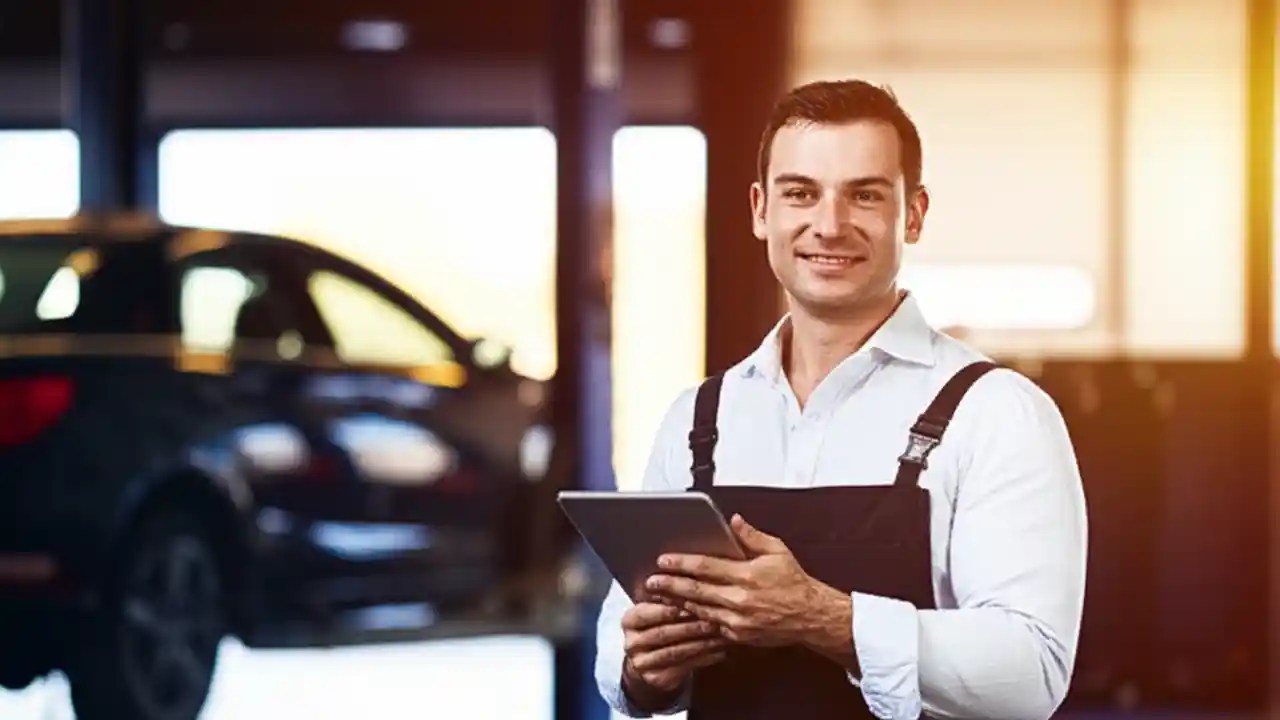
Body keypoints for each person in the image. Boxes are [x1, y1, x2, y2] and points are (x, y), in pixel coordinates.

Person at [592, 78, 1088, 720]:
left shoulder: (997, 413)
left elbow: (1031, 674)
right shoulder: (698, 418)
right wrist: (644, 669)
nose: (829, 226)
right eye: (801, 193)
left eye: (865, 195)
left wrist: (821, 617)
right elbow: (621, 647)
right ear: (760, 210)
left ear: (914, 215)